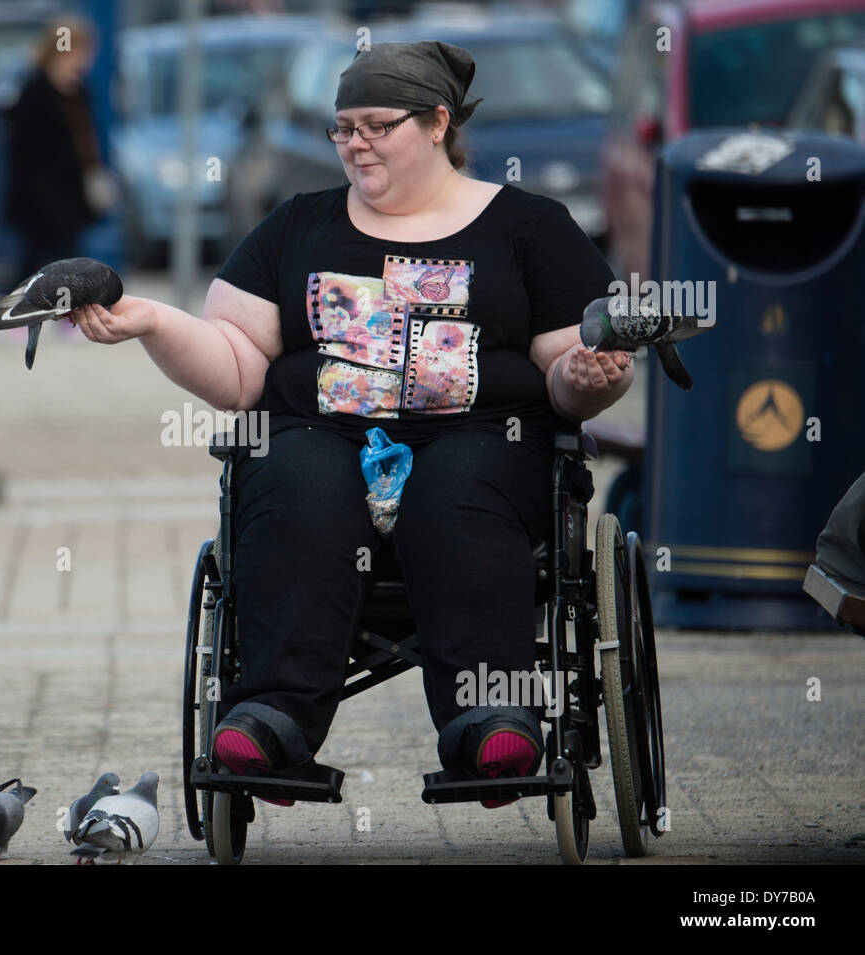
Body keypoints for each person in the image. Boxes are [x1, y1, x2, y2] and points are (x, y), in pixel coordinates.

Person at [67, 40, 635, 807]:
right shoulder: (298, 225)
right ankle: (269, 717)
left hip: (483, 441)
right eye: (342, 127)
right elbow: (237, 371)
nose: (354, 143)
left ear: (438, 122)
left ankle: (489, 716)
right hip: (324, 437)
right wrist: (149, 321)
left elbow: (568, 372)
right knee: (294, 476)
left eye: (375, 124)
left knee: (461, 486)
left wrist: (586, 374)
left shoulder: (526, 226)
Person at [4, 17, 116, 284]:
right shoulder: (34, 90)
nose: (84, 58)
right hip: (38, 196)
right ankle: (25, 319)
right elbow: (22, 150)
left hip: (71, 193)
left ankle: (67, 318)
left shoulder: (81, 90)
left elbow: (87, 138)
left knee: (63, 259)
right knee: (37, 260)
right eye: (78, 50)